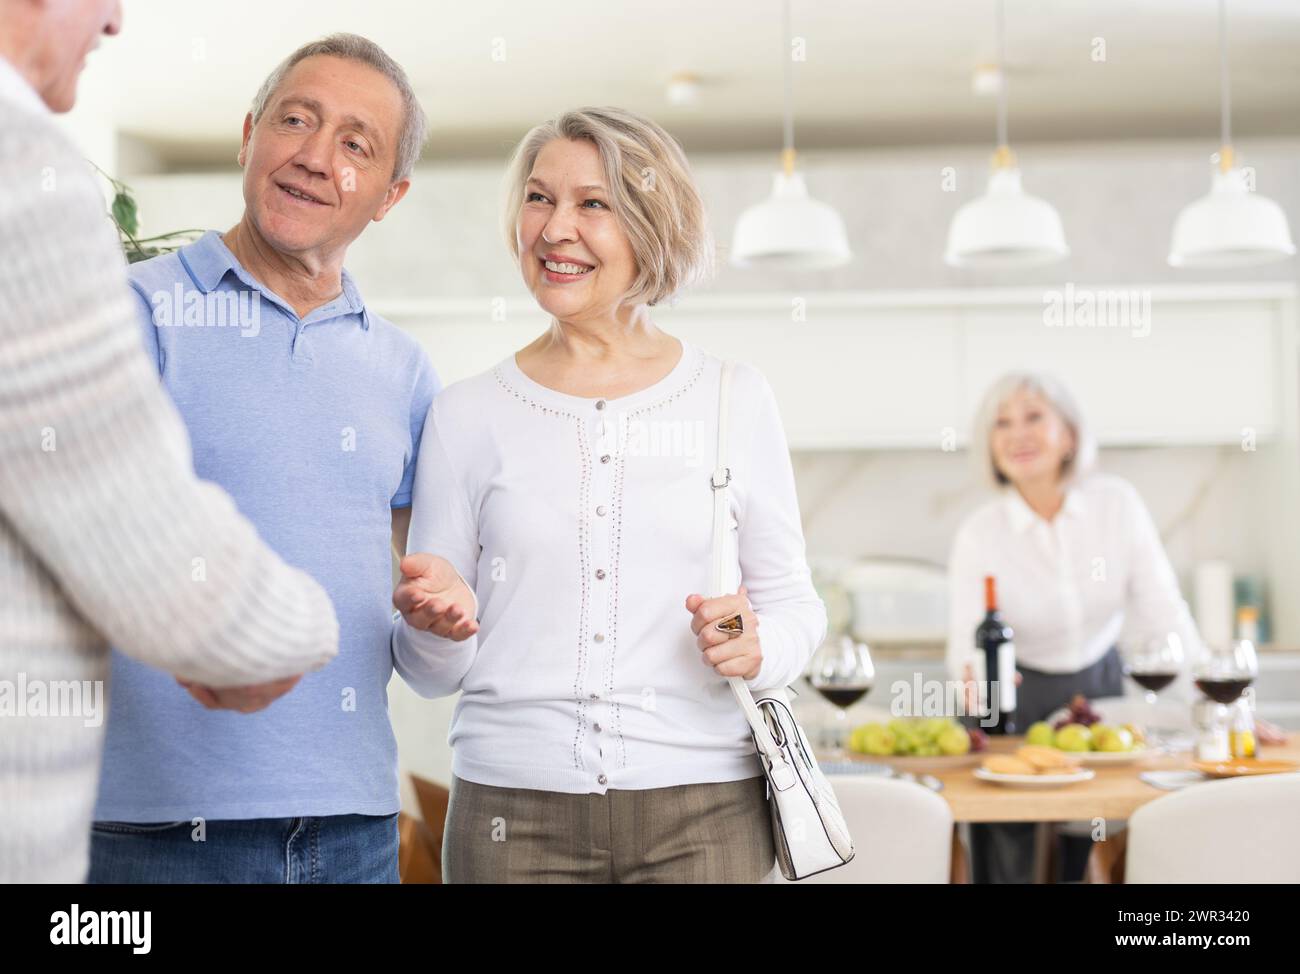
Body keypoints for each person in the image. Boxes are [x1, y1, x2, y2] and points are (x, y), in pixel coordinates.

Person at [391, 107, 827, 883]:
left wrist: (761, 649)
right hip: (511, 817)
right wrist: (440, 625)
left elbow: (796, 607)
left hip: (705, 812)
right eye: (538, 198)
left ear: (653, 225)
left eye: (593, 204)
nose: (556, 228)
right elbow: (429, 672)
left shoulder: (733, 399)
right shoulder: (466, 415)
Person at [88, 34, 441, 884]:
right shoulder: (131, 313)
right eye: (296, 120)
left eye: (355, 144)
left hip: (354, 825)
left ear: (388, 196)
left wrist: (444, 603)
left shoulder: (400, 368)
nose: (316, 157)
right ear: (250, 136)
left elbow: (423, 575)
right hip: (155, 827)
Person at [0, 0, 338, 883]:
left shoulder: (405, 366)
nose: (113, 21)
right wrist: (305, 623)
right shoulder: (21, 172)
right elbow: (157, 564)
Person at [947, 371, 1206, 883]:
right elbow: (966, 645)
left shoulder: (1117, 505)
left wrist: (1212, 705)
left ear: (1068, 435)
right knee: (1011, 864)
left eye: (1034, 417)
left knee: (1097, 852)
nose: (1017, 434)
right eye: (1002, 424)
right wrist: (975, 687)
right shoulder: (981, 534)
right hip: (1014, 708)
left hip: (1100, 699)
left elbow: (1164, 615)